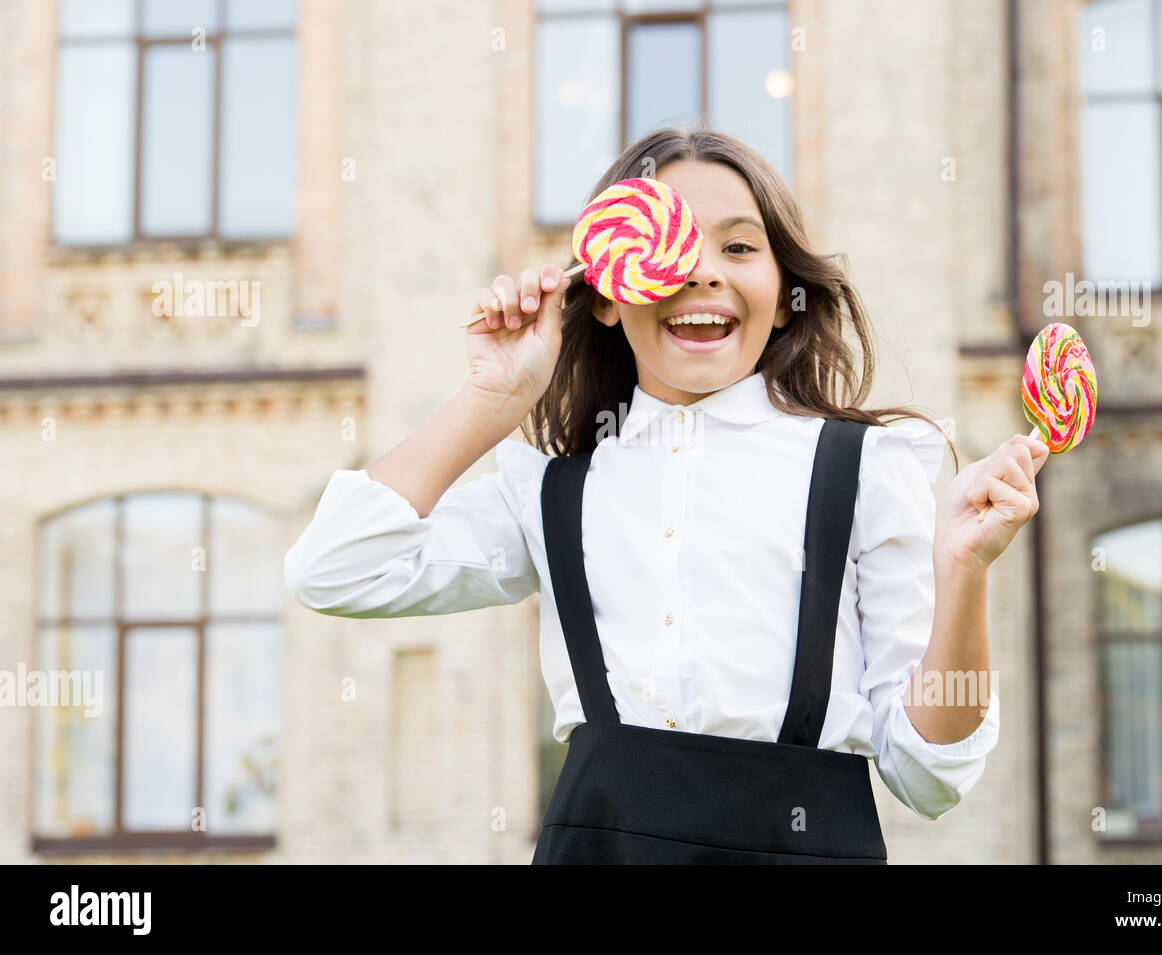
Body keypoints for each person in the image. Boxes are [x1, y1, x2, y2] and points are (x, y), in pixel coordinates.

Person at [284, 126, 1048, 864]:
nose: (704, 271)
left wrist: (965, 574)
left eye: (740, 246)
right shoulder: (552, 489)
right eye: (670, 245)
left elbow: (932, 778)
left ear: (786, 295)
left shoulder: (867, 469)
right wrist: (493, 397)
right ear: (612, 293)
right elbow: (334, 567)